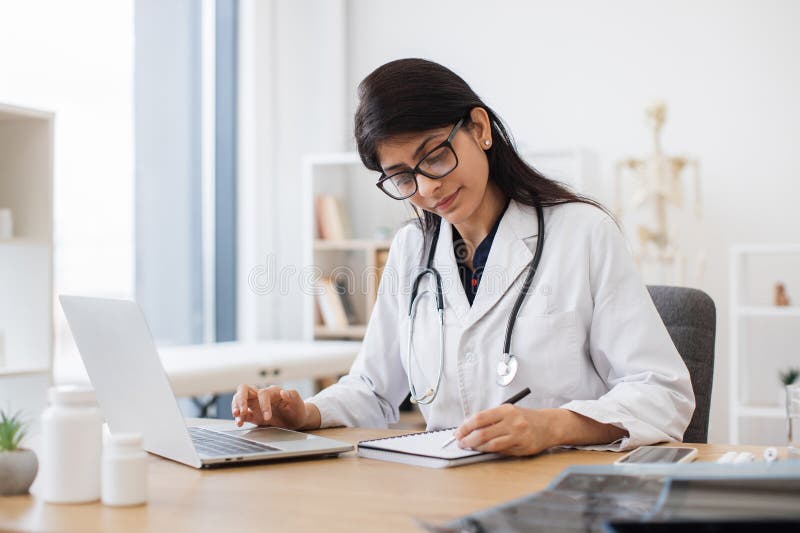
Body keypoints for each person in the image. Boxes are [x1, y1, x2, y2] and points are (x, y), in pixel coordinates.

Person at [232, 58, 695, 456]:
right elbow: (373, 390)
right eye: (403, 177)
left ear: (479, 128)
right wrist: (306, 413)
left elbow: (662, 392)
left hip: (565, 484)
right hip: (449, 487)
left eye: (434, 156)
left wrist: (551, 426)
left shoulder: (583, 234)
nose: (428, 188)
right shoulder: (412, 250)